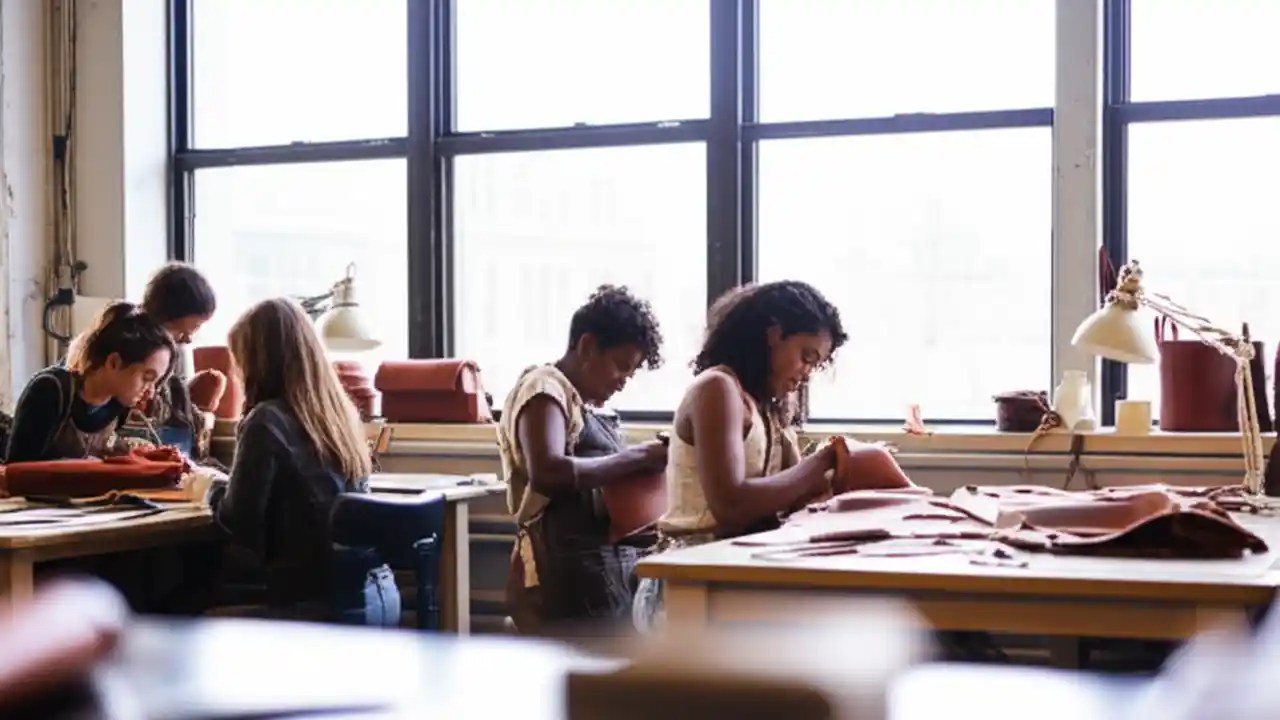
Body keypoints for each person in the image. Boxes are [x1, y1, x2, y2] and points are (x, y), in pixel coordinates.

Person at [633, 280, 848, 630]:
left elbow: (790, 497)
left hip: (728, 570)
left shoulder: (767, 408)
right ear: (774, 335)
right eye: (806, 356)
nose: (807, 372)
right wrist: (821, 462)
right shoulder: (717, 389)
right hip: (682, 582)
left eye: (817, 365)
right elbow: (730, 505)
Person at [499, 285, 668, 635]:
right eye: (622, 366)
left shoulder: (583, 406)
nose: (624, 382)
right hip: (564, 575)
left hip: (601, 570)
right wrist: (639, 456)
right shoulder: (544, 388)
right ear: (588, 346)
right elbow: (549, 472)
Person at [207, 298, 372, 616]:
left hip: (304, 602)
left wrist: (207, 489)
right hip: (363, 594)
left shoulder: (265, 420)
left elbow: (239, 523)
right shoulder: (340, 415)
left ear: (257, 361)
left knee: (173, 599)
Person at [5, 302, 175, 463]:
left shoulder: (118, 403)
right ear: (114, 362)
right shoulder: (50, 390)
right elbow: (17, 472)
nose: (150, 392)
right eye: (147, 378)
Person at [136, 262, 218, 458]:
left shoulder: (173, 386)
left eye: (195, 329)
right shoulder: (131, 364)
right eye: (178, 331)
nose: (188, 339)